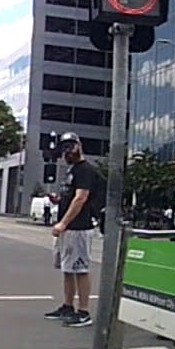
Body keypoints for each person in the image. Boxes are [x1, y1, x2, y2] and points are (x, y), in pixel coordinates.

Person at [45, 132, 103, 328]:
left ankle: (84, 311)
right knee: (67, 269)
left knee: (80, 268)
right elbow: (72, 196)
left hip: (79, 228)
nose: (67, 151)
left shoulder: (85, 170)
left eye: (71, 146)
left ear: (79, 145)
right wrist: (59, 202)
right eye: (64, 148)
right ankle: (68, 305)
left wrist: (63, 223)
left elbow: (81, 198)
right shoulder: (73, 170)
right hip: (69, 229)